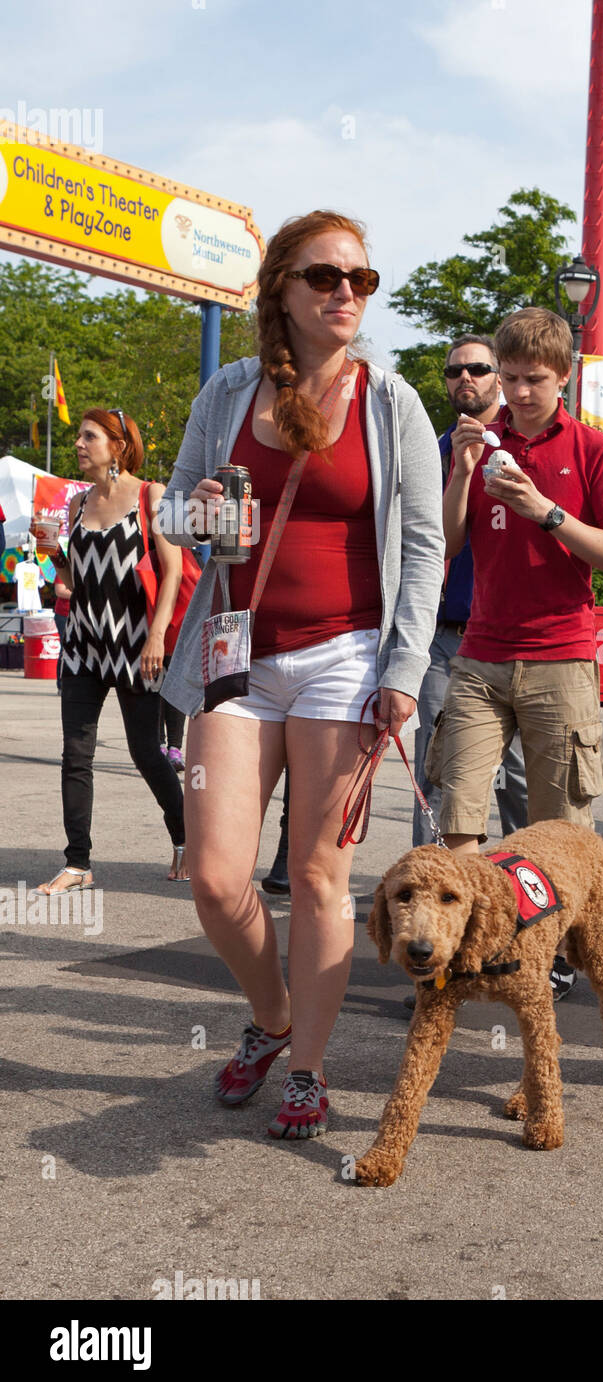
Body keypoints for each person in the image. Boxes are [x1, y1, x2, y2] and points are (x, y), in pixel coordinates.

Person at [161, 210, 444, 1140]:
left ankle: (309, 1070)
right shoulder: (229, 392)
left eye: (360, 280)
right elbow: (172, 511)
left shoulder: (391, 401)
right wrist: (198, 515)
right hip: (236, 655)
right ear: (280, 288)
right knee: (213, 876)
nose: (345, 294)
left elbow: (424, 544)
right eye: (325, 277)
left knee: (322, 876)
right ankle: (273, 1016)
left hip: (344, 658)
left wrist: (403, 666)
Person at [432, 308, 603, 896]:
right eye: (510, 377)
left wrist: (545, 512)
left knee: (559, 830)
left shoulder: (596, 450)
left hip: (561, 657)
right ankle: (471, 948)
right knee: (458, 820)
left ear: (564, 375)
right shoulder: (478, 444)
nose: (519, 392)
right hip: (478, 654)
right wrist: (462, 473)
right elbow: (448, 543)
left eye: (534, 380)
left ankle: (554, 953)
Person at [34, 409, 188, 893]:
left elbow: (174, 571)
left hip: (136, 647)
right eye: (79, 436)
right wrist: (55, 551)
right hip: (82, 646)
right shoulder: (77, 504)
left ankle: (186, 839)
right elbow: (72, 584)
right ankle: (77, 863)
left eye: (89, 436)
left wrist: (158, 636)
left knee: (147, 752)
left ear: (118, 446)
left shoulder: (151, 496)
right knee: (74, 755)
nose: (79, 444)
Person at [413, 334, 527, 850]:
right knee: (438, 773)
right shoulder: (429, 452)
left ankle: (534, 899)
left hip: (518, 639)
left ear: (499, 378)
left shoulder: (526, 444)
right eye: (455, 371)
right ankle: (431, 894)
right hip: (446, 639)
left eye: (478, 369)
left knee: (522, 787)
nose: (465, 378)